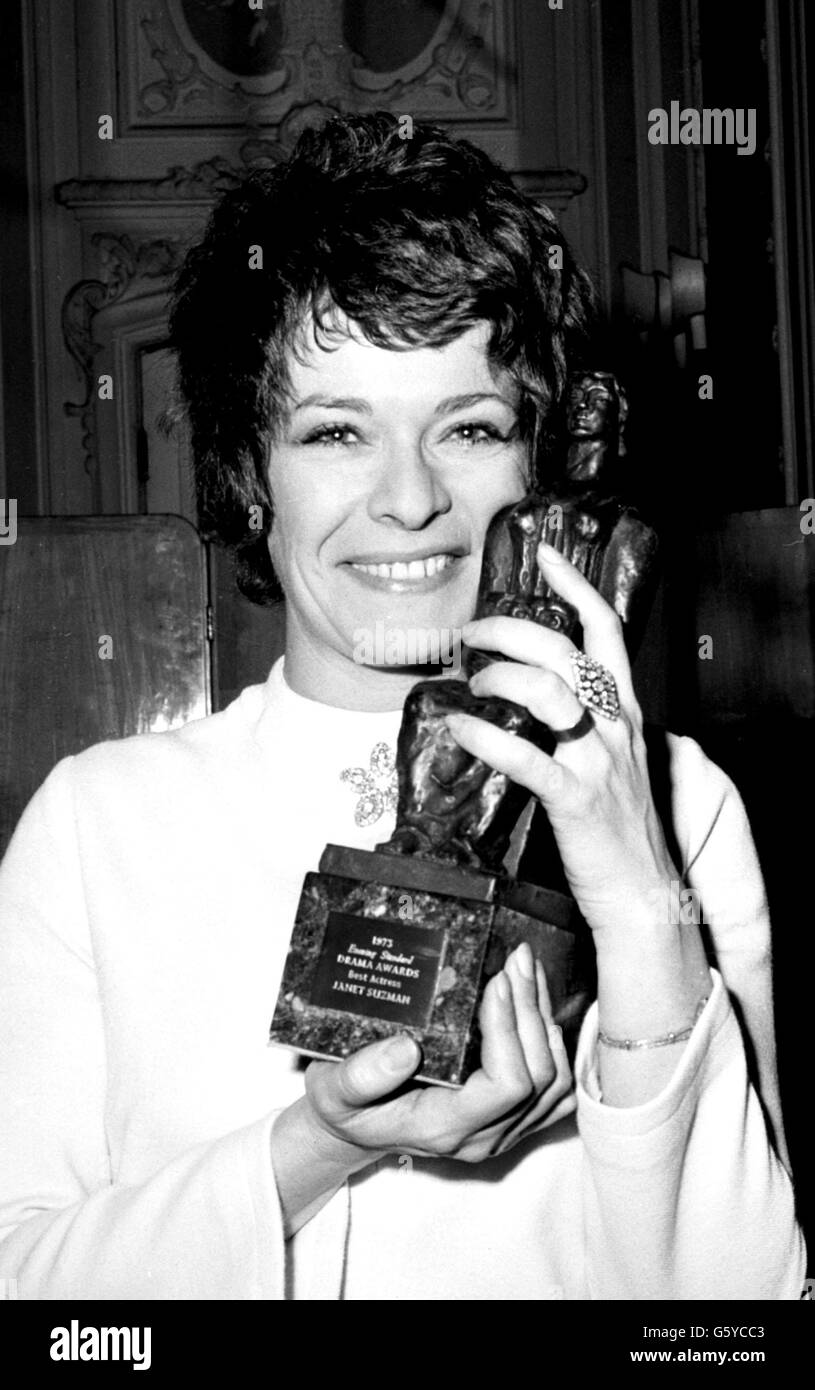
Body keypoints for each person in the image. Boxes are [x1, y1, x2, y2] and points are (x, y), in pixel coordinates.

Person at [0, 114, 805, 1301]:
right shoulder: (96, 825)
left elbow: (733, 1320)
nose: (413, 498)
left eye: (469, 428)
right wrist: (314, 1147)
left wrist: (638, 908)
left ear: (541, 464)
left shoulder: (680, 811)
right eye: (336, 431)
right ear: (244, 474)